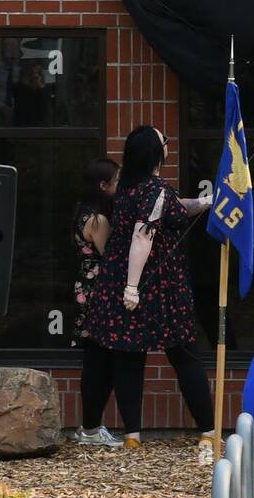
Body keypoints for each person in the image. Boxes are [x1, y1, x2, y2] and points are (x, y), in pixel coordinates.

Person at [83, 126, 218, 460]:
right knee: (184, 354)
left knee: (128, 356)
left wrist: (205, 202)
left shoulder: (131, 186)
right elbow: (143, 236)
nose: (169, 146)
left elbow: (174, 207)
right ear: (157, 153)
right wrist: (132, 287)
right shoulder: (155, 188)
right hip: (154, 284)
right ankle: (209, 430)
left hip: (117, 279)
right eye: (165, 142)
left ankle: (133, 435)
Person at [70, 158, 123, 447]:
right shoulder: (98, 220)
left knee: (95, 361)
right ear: (103, 186)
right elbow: (110, 258)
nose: (118, 186)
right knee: (100, 364)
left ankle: (90, 426)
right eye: (115, 181)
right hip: (100, 295)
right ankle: (91, 427)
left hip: (85, 290)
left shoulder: (80, 213)